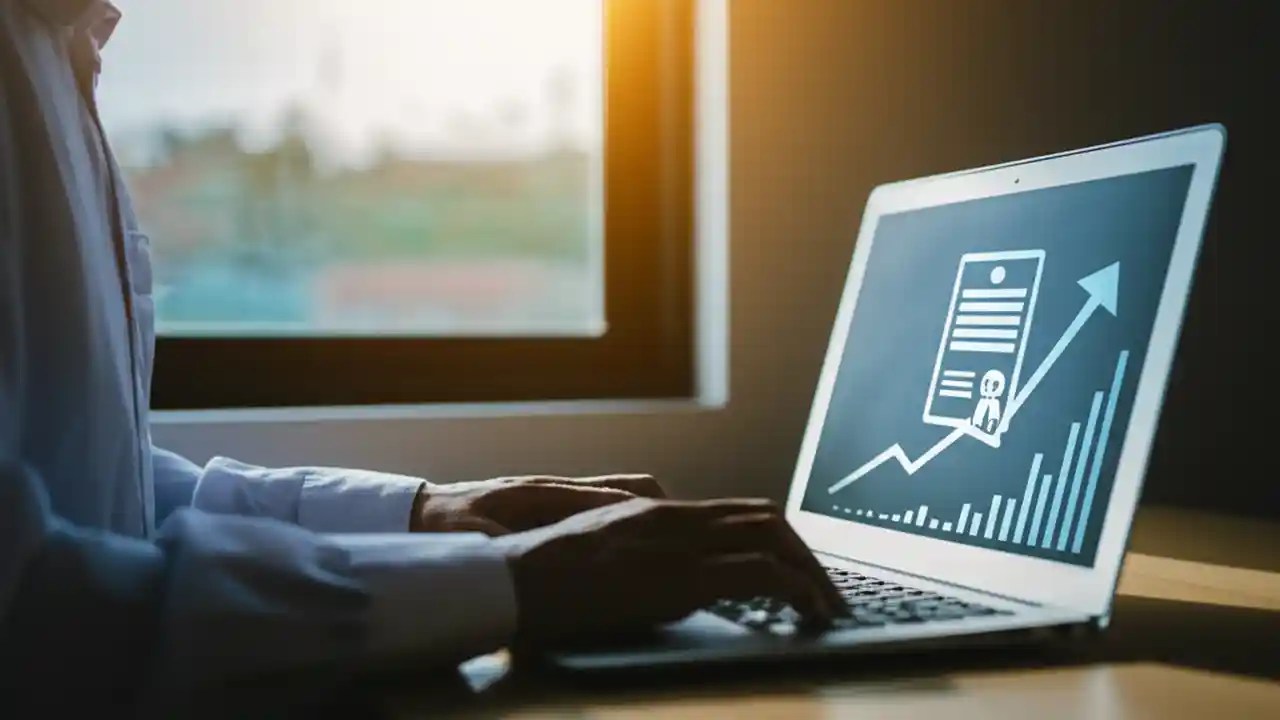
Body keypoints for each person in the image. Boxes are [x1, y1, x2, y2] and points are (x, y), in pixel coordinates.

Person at [0, 1, 842, 712]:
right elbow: (29, 608)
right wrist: (518, 583)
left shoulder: (54, 43)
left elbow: (96, 492)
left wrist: (425, 513)